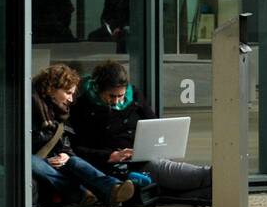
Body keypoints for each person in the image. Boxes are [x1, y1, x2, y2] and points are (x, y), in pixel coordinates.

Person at [69, 60, 212, 197]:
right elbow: (77, 148)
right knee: (203, 176)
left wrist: (156, 146)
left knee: (201, 187)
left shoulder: (134, 96)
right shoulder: (82, 106)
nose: (117, 101)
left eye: (121, 96)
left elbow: (155, 126)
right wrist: (110, 155)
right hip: (121, 165)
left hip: (143, 157)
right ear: (98, 89)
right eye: (111, 96)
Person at [31, 65, 135, 207]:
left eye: (73, 94)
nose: (71, 99)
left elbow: (65, 140)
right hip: (35, 159)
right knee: (31, 162)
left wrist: (65, 154)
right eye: (68, 93)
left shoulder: (59, 111)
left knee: (74, 161)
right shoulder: (29, 109)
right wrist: (47, 161)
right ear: (51, 89)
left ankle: (113, 188)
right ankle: (81, 193)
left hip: (53, 159)